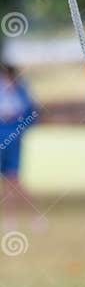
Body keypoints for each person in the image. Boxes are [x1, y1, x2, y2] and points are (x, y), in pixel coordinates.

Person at [0, 63, 38, 224]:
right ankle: (10, 219)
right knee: (6, 182)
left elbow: (31, 113)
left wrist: (20, 128)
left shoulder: (21, 91)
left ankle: (34, 216)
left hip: (13, 137)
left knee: (13, 179)